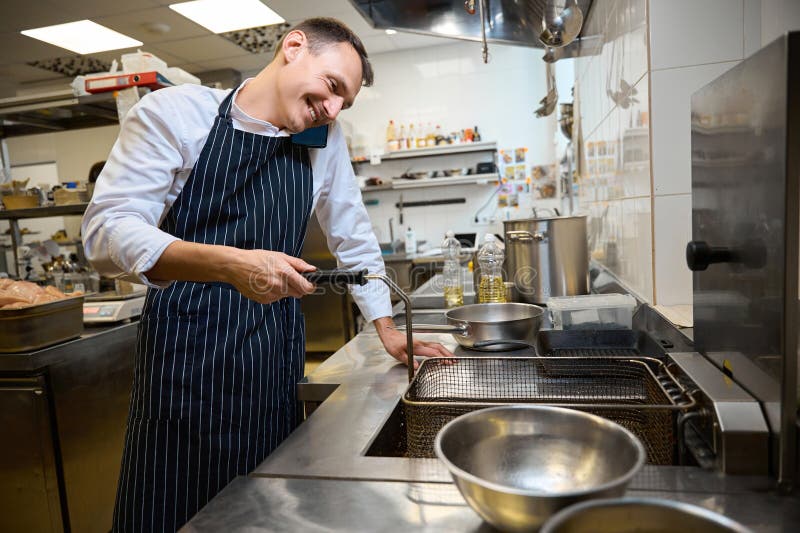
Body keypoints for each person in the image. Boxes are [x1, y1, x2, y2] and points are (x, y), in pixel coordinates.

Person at [82, 17, 451, 532]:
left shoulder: (322, 138)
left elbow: (352, 233)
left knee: (265, 509)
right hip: (185, 362)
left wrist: (385, 327)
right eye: (332, 86)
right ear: (293, 47)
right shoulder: (177, 114)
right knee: (169, 508)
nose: (333, 108)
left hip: (271, 356)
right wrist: (231, 264)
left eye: (345, 102)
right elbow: (106, 233)